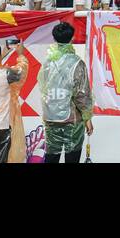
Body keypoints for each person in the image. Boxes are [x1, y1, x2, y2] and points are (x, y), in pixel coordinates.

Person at [37, 21, 92, 164]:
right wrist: (87, 118)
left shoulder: (48, 63)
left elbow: (43, 87)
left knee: (52, 156)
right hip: (71, 119)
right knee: (72, 156)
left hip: (51, 117)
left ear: (54, 39)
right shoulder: (77, 63)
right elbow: (82, 94)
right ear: (72, 38)